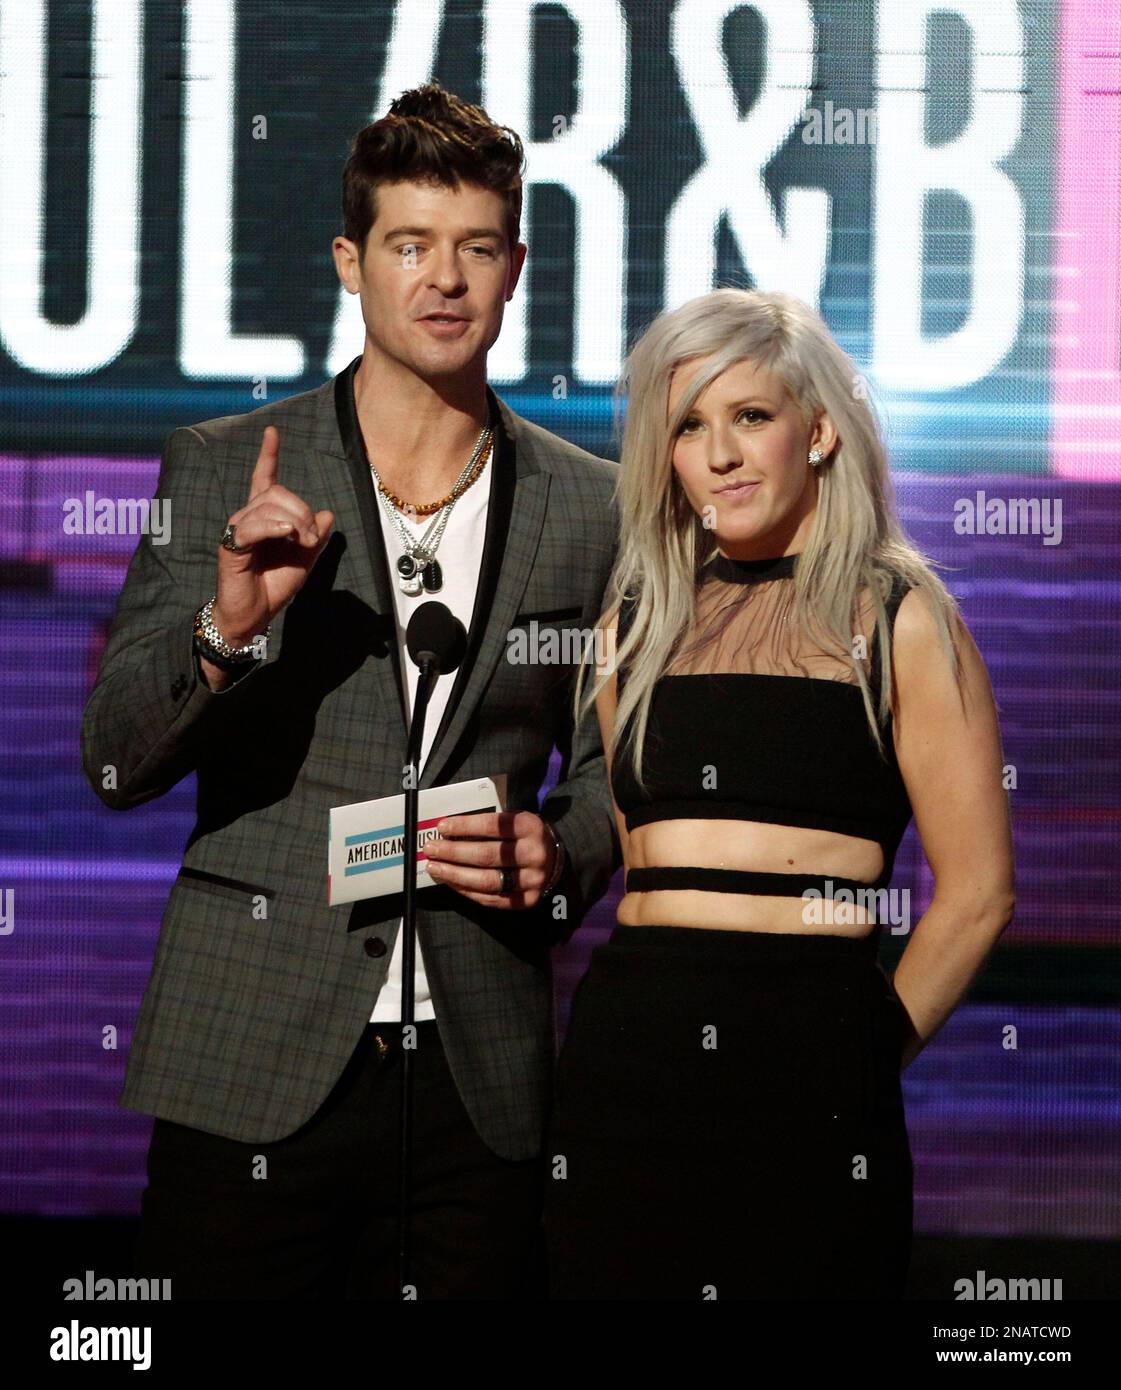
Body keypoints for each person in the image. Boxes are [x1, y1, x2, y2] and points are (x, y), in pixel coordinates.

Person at [80, 82, 620, 1299]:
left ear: (515, 265)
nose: (443, 279)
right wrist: (227, 627)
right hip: (250, 1055)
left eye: (475, 248)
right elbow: (114, 763)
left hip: (475, 1083)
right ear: (349, 261)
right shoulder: (225, 464)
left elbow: (605, 773)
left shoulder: (589, 504)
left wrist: (561, 852)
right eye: (409, 245)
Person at [543, 287, 1015, 1299]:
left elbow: (977, 894)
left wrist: (855, 1059)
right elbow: (640, 855)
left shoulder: (902, 616)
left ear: (820, 431)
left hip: (811, 1078)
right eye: (687, 426)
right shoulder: (637, 619)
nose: (718, 453)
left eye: (748, 416)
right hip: (623, 1075)